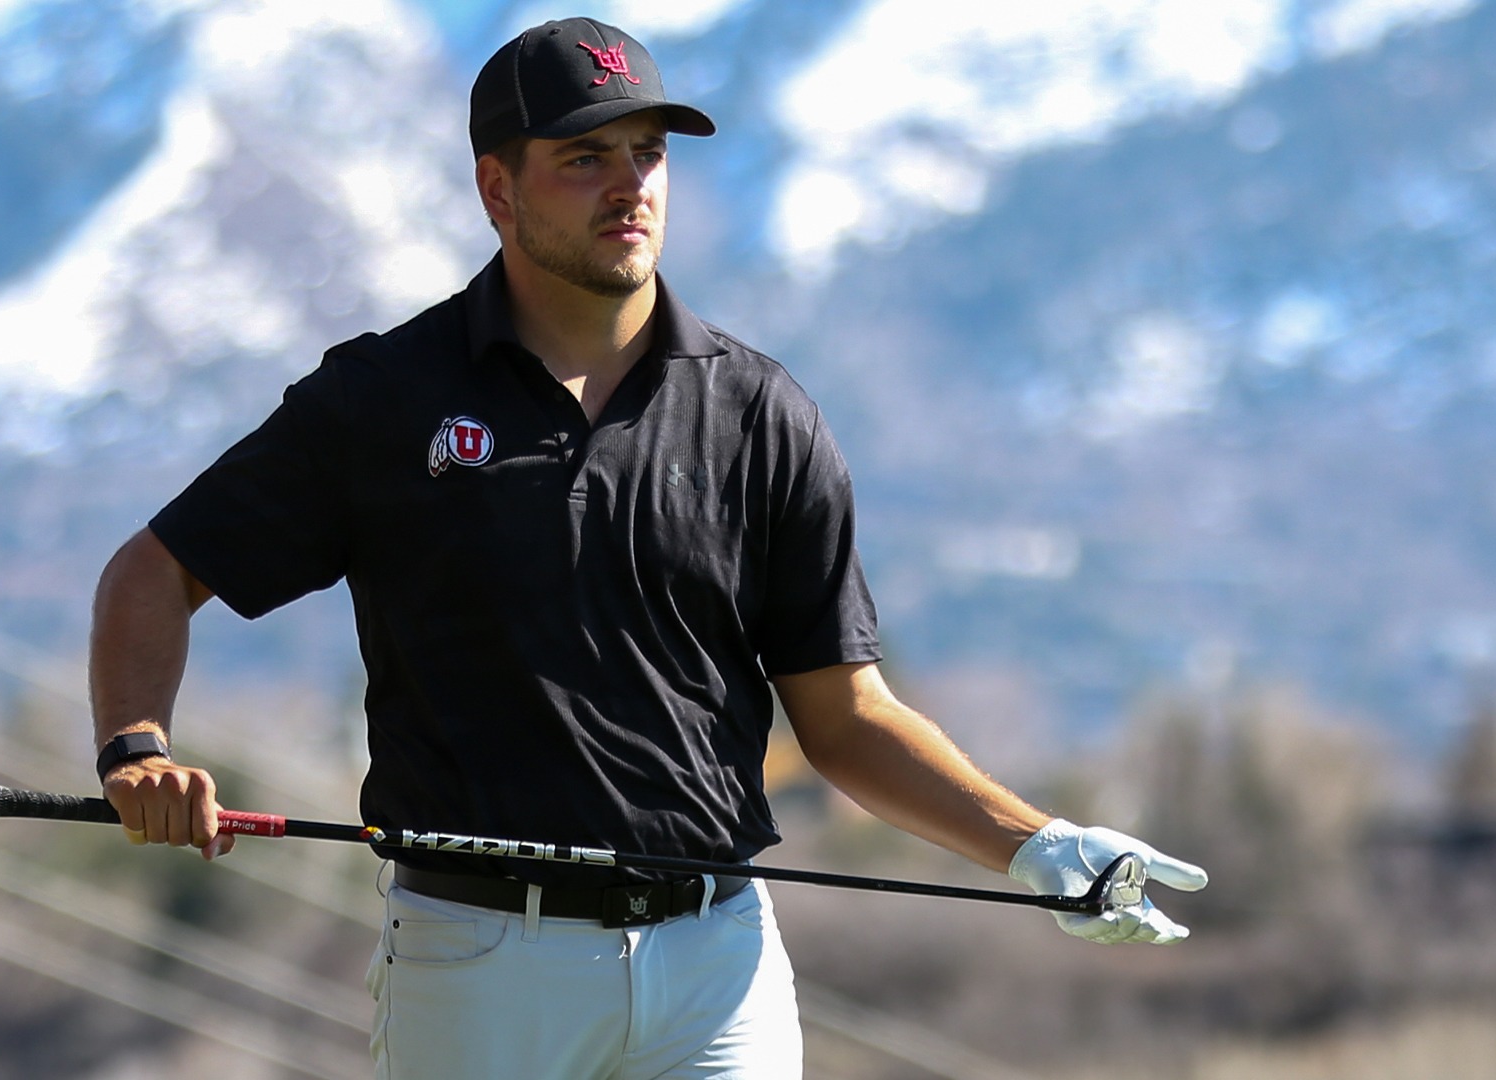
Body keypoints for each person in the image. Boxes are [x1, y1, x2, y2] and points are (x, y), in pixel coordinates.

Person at [89, 15, 1208, 1080]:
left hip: (716, 966)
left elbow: (846, 717)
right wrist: (136, 750)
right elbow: (154, 571)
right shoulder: (385, 400)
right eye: (584, 158)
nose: (630, 184)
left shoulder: (761, 413)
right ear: (498, 188)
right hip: (478, 966)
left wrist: (1039, 844)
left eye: (647, 153)